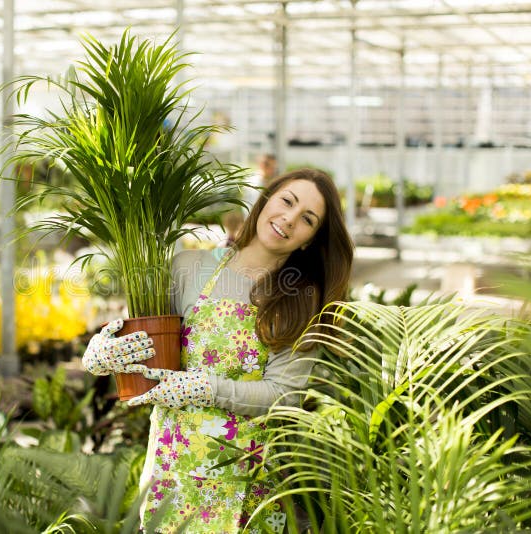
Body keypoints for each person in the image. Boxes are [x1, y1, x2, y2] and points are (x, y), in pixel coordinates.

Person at [82, 167, 354, 533]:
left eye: (307, 219)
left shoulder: (301, 300)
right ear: (266, 199)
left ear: (310, 240)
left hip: (249, 487)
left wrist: (206, 388)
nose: (289, 219)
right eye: (286, 201)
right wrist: (103, 354)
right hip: (172, 472)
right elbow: (145, 348)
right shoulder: (189, 268)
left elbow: (284, 395)